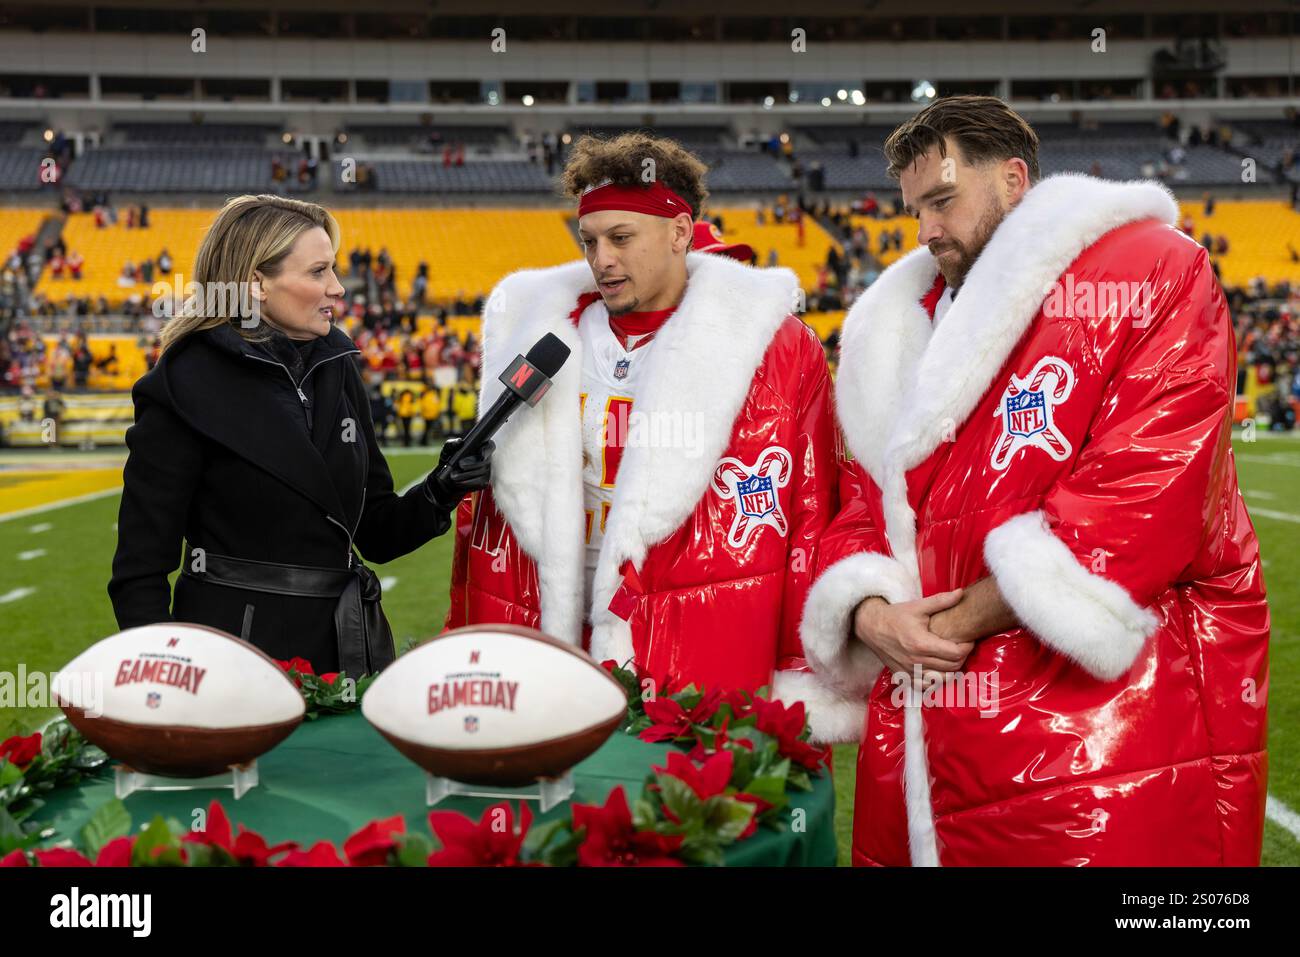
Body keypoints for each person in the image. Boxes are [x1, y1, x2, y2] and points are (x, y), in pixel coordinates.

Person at [800, 95, 1269, 865]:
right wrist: (871, 613)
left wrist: (938, 629)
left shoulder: (1148, 270)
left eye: (943, 201)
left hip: (1099, 738)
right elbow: (858, 507)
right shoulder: (891, 327)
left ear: (1014, 179)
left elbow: (1142, 500)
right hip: (920, 738)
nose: (926, 232)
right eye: (915, 209)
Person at [444, 132, 847, 736]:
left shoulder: (776, 348)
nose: (601, 258)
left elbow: (811, 514)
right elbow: (486, 527)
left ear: (680, 232)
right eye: (590, 241)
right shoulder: (540, 338)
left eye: (621, 239)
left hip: (699, 641)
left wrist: (801, 671)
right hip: (554, 630)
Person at [108, 194, 494, 676]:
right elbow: (139, 571)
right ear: (256, 284)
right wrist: (162, 681)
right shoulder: (184, 382)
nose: (338, 288)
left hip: (345, 650)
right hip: (233, 660)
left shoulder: (338, 365)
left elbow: (373, 531)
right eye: (318, 272)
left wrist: (442, 489)